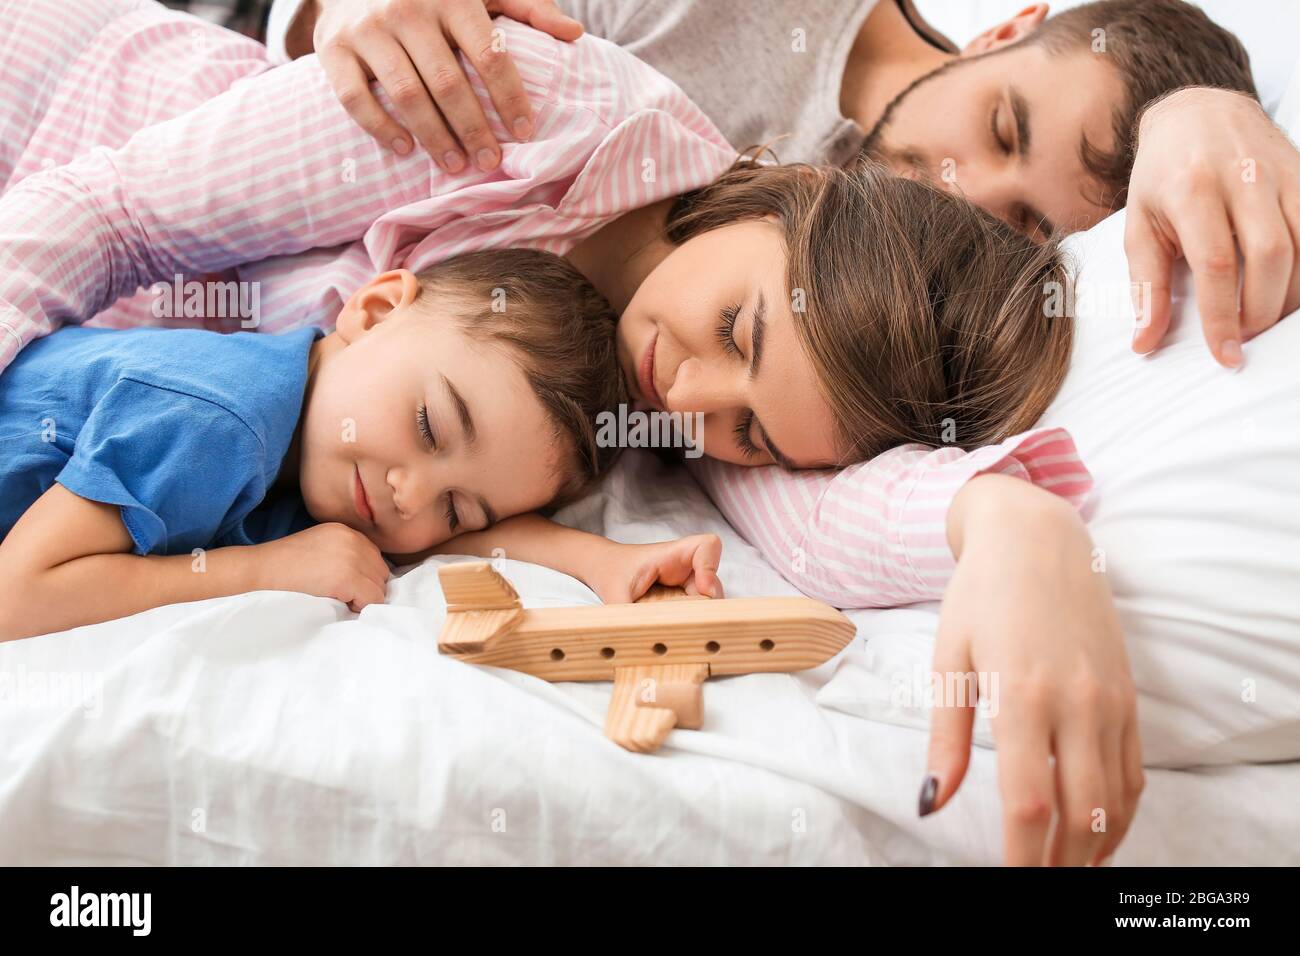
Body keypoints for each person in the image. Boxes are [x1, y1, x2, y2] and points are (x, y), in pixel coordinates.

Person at [0, 0, 1133, 865]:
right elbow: (110, 215)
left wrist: (1010, 522)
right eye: (734, 328)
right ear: (770, 195)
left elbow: (826, 526)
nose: (691, 396)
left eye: (747, 433)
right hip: (47, 119)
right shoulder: (529, 108)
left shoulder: (694, 395)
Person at [277, 0, 1300, 368]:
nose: (957, 185)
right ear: (1004, 28)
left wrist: (1202, 116)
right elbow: (331, 36)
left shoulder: (902, 297)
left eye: (1024, 220)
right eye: (1001, 125)